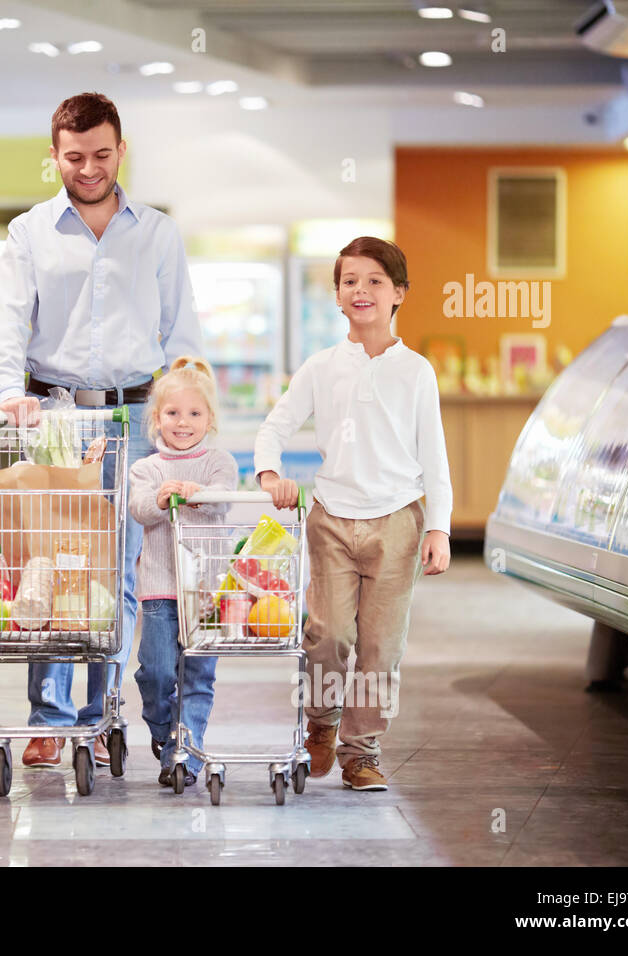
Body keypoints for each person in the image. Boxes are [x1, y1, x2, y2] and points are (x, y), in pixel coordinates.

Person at [0, 92, 203, 769]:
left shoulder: (158, 233)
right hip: (54, 414)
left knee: (121, 571)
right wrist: (7, 393)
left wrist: (189, 418)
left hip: (138, 417)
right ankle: (49, 719)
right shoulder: (28, 232)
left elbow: (182, 333)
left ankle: (101, 712)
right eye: (74, 157)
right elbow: (10, 324)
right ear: (54, 155)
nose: (88, 169)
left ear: (121, 151)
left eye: (101, 155)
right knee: (49, 563)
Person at [254, 236, 452, 792]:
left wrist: (439, 526)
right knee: (327, 634)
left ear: (399, 293)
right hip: (332, 520)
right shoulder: (321, 367)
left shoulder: (416, 372)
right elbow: (275, 426)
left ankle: (361, 753)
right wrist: (268, 473)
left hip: (398, 522)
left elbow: (435, 457)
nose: (361, 290)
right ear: (337, 296)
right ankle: (321, 721)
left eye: (375, 281)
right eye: (349, 281)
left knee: (380, 648)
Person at [127, 357, 237, 790]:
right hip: (160, 589)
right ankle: (164, 730)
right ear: (157, 418)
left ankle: (186, 755)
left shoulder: (218, 463)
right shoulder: (147, 469)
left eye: (194, 413)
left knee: (198, 676)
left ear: (210, 420)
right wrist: (160, 499)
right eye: (173, 413)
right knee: (155, 671)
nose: (183, 422)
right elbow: (139, 509)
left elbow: (223, 499)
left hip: (206, 591)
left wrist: (199, 494)